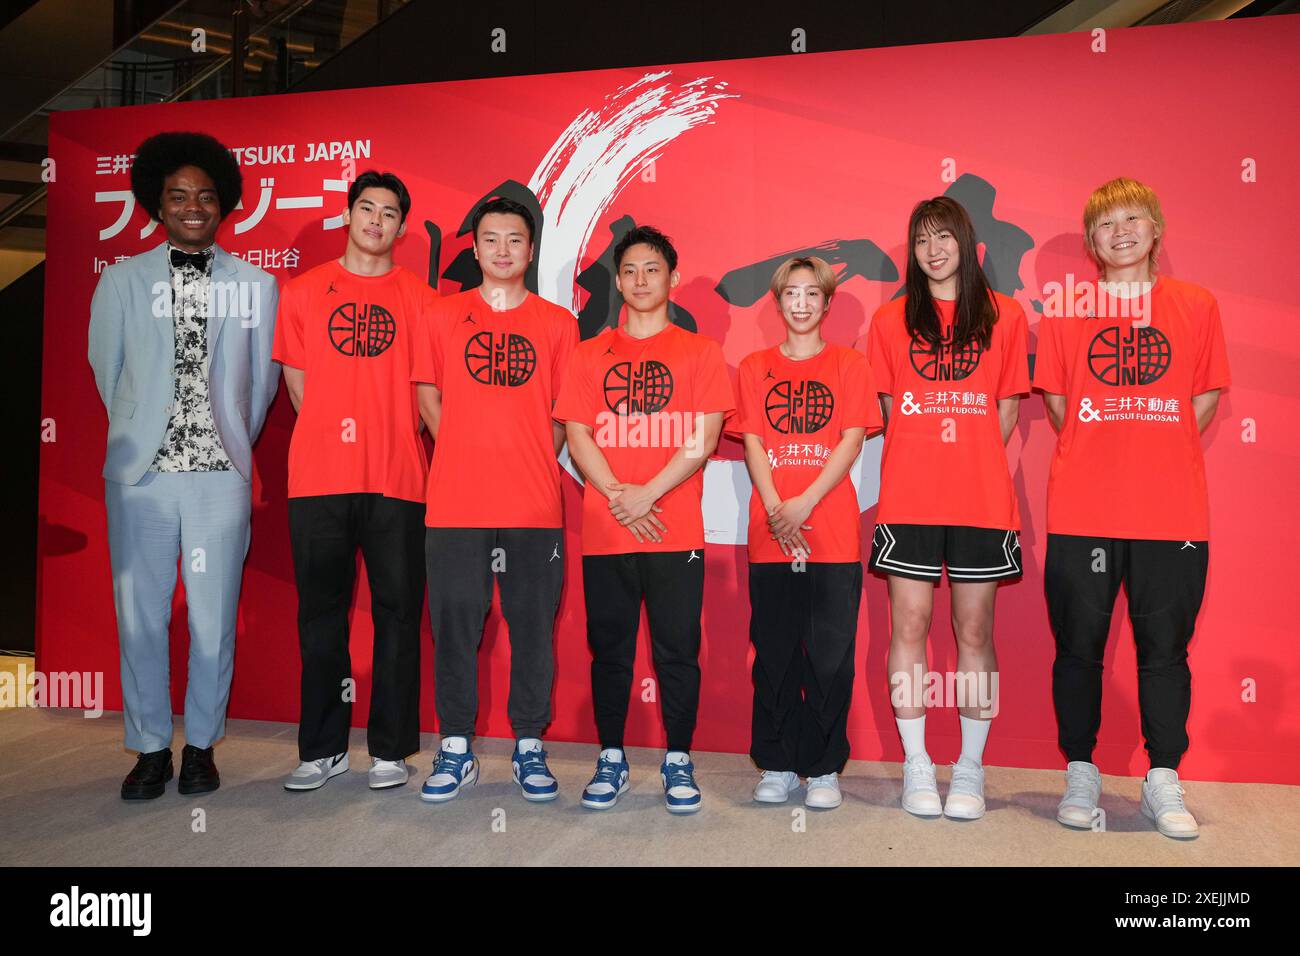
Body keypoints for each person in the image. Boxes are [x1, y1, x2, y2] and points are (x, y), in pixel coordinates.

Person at [1034, 177, 1229, 839]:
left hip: (1170, 513)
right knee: (1078, 650)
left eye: (1133, 218)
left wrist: (1156, 443)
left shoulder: (1196, 306)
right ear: (1091, 241)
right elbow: (1060, 405)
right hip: (1084, 509)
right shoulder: (1065, 310)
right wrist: (1107, 443)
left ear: (1155, 229)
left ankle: (1162, 777)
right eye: (1106, 223)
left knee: (1165, 652)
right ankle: (1081, 770)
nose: (1121, 231)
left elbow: (1201, 400)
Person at [88, 131, 279, 799]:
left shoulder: (255, 284)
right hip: (141, 479)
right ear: (155, 204)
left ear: (223, 204)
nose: (193, 206)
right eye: (178, 196)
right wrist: (145, 431)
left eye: (205, 196)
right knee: (140, 615)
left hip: (217, 479)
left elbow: (261, 389)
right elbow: (107, 373)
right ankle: (147, 749)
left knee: (212, 617)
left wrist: (228, 445)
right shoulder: (121, 281)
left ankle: (200, 745)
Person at [555, 225, 735, 814]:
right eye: (629, 270)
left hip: (673, 528)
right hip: (608, 529)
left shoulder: (700, 352)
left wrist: (647, 495)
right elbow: (577, 435)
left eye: (651, 269)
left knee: (677, 649)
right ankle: (611, 757)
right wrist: (615, 493)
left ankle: (678, 758)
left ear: (672, 277)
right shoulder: (588, 354)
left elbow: (704, 437)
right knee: (610, 650)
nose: (639, 280)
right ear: (617, 279)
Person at [865, 196, 1030, 820]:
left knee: (975, 632)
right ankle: (916, 764)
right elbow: (888, 411)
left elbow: (1007, 411)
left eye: (944, 238)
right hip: (910, 497)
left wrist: (970, 458)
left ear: (967, 241)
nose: (933, 251)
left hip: (981, 500)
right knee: (908, 626)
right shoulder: (889, 322)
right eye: (921, 240)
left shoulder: (1005, 315)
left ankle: (969, 767)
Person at [412, 198, 577, 803]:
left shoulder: (558, 323)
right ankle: (456, 745)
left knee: (533, 625)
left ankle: (529, 741)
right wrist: (460, 449)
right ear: (475, 249)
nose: (503, 249)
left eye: (515, 240)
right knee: (454, 624)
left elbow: (563, 415)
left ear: (529, 251)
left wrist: (531, 452)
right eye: (491, 239)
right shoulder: (440, 315)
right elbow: (428, 397)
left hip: (533, 504)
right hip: (455, 502)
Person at [276, 170, 434, 793]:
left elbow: (427, 396)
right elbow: (298, 387)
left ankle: (390, 750)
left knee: (398, 615)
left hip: (398, 478)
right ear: (348, 214)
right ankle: (322, 748)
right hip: (319, 478)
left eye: (389, 213)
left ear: (401, 226)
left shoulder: (423, 300)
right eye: (366, 208)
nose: (376, 221)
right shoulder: (303, 292)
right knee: (321, 615)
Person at [732, 256, 881, 810]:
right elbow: (752, 441)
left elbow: (850, 440)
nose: (800, 303)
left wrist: (805, 503)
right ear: (777, 302)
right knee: (774, 652)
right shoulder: (753, 367)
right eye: (790, 293)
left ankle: (821, 768)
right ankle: (776, 761)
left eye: (811, 294)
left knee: (828, 656)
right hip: (771, 533)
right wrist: (776, 508)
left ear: (826, 302)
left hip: (832, 534)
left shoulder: (850, 365)